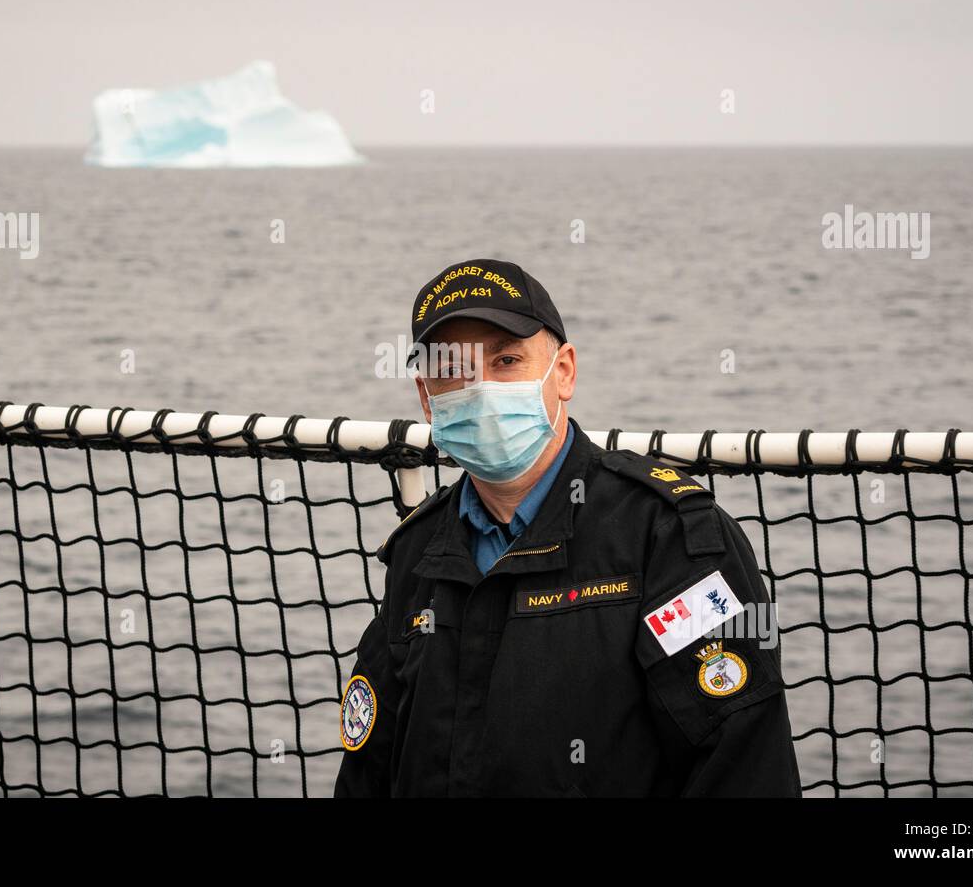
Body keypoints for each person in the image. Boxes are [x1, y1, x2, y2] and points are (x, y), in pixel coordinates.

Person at [334, 258, 801, 797]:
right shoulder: (416, 552)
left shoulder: (667, 537)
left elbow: (742, 764)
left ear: (564, 372)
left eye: (506, 360)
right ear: (426, 398)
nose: (479, 389)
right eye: (452, 369)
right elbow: (368, 771)